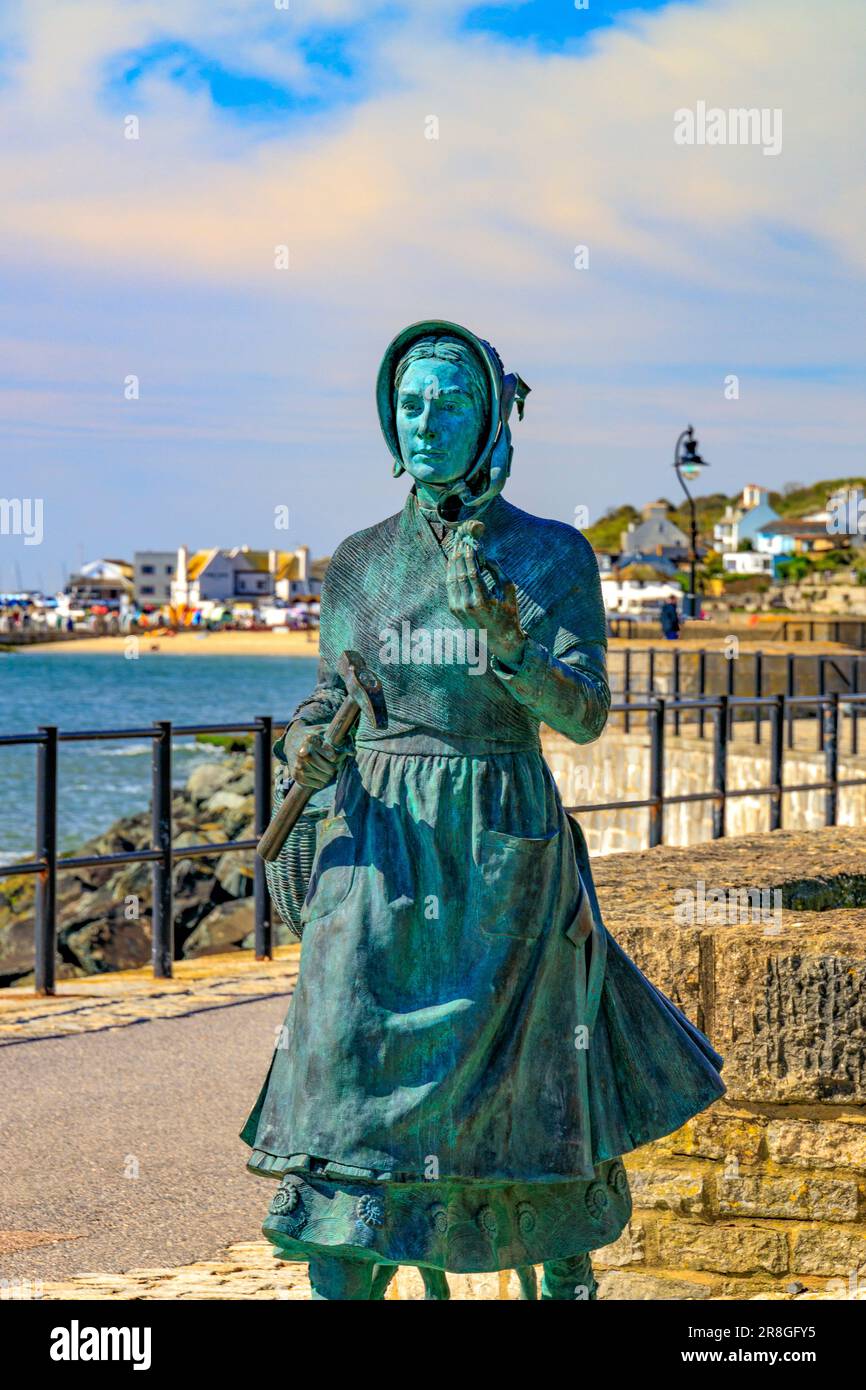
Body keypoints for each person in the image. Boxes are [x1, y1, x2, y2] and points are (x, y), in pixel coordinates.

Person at [241, 321, 724, 1300]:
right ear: (389, 416)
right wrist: (310, 740)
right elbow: (335, 696)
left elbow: (584, 714)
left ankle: (556, 1269)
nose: (427, 423)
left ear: (490, 414)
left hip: (501, 855)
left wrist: (510, 648)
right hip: (375, 853)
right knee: (343, 1088)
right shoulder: (357, 562)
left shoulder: (550, 556)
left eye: (449, 402)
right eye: (410, 404)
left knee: (528, 1110)